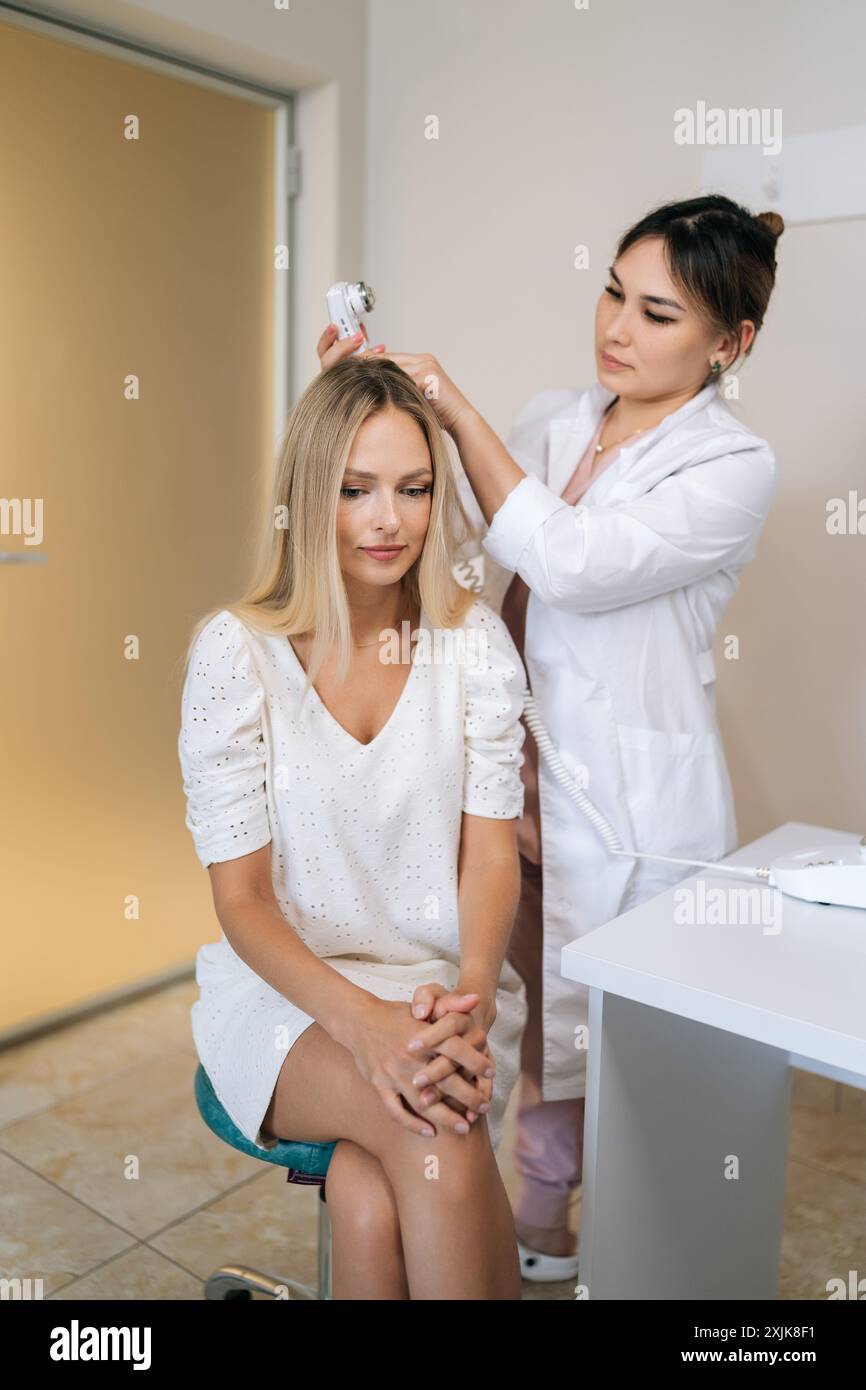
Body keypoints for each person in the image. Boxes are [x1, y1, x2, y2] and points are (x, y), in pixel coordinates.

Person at [320, 192, 783, 1280]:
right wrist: (376, 398)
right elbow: (469, 526)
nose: (616, 327)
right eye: (612, 292)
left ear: (732, 342)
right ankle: (518, 1227)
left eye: (657, 314)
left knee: (610, 1059)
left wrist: (452, 404)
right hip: (500, 788)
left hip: (620, 812)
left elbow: (570, 560)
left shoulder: (730, 466)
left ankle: (584, 1241)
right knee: (507, 1016)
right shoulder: (553, 417)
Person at [178, 356, 534, 1300]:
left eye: (414, 489)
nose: (390, 520)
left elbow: (493, 858)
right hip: (288, 994)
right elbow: (242, 902)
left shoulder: (472, 647)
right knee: (439, 1120)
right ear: (307, 495)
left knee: (376, 1200)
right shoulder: (236, 656)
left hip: (440, 990)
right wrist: (365, 1026)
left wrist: (469, 1003)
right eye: (356, 490)